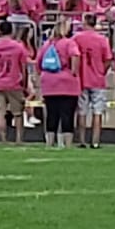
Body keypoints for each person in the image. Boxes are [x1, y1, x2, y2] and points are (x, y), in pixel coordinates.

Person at [37, 19, 81, 148]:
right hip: (67, 84)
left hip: (49, 83)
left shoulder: (46, 45)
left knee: (51, 114)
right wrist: (73, 72)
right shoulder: (70, 43)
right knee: (67, 114)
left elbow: (38, 64)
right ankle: (67, 143)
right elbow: (75, 59)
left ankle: (49, 142)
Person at [0, 22, 31, 146]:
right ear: (12, 31)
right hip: (14, 83)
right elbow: (24, 67)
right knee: (18, 114)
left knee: (0, 113)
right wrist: (25, 83)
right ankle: (18, 139)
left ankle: (3, 139)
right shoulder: (18, 47)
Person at [74, 14, 113, 149]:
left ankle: (82, 140)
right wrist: (102, 71)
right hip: (98, 79)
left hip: (82, 78)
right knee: (97, 111)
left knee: (82, 111)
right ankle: (95, 141)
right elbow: (108, 59)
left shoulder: (77, 38)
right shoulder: (102, 40)